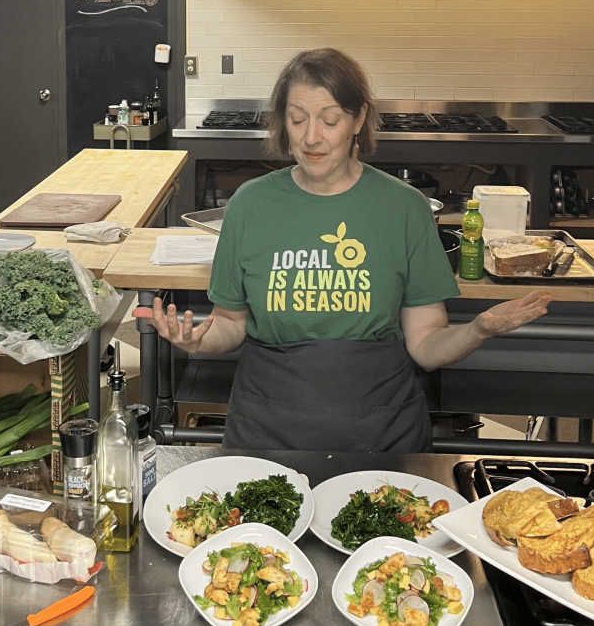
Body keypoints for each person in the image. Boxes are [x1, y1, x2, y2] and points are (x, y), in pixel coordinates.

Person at [135, 48, 551, 452]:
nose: (311, 137)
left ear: (358, 119)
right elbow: (231, 324)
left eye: (329, 120)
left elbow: (425, 344)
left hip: (381, 434)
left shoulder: (403, 208)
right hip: (267, 430)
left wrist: (478, 330)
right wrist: (196, 341)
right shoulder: (250, 204)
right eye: (297, 120)